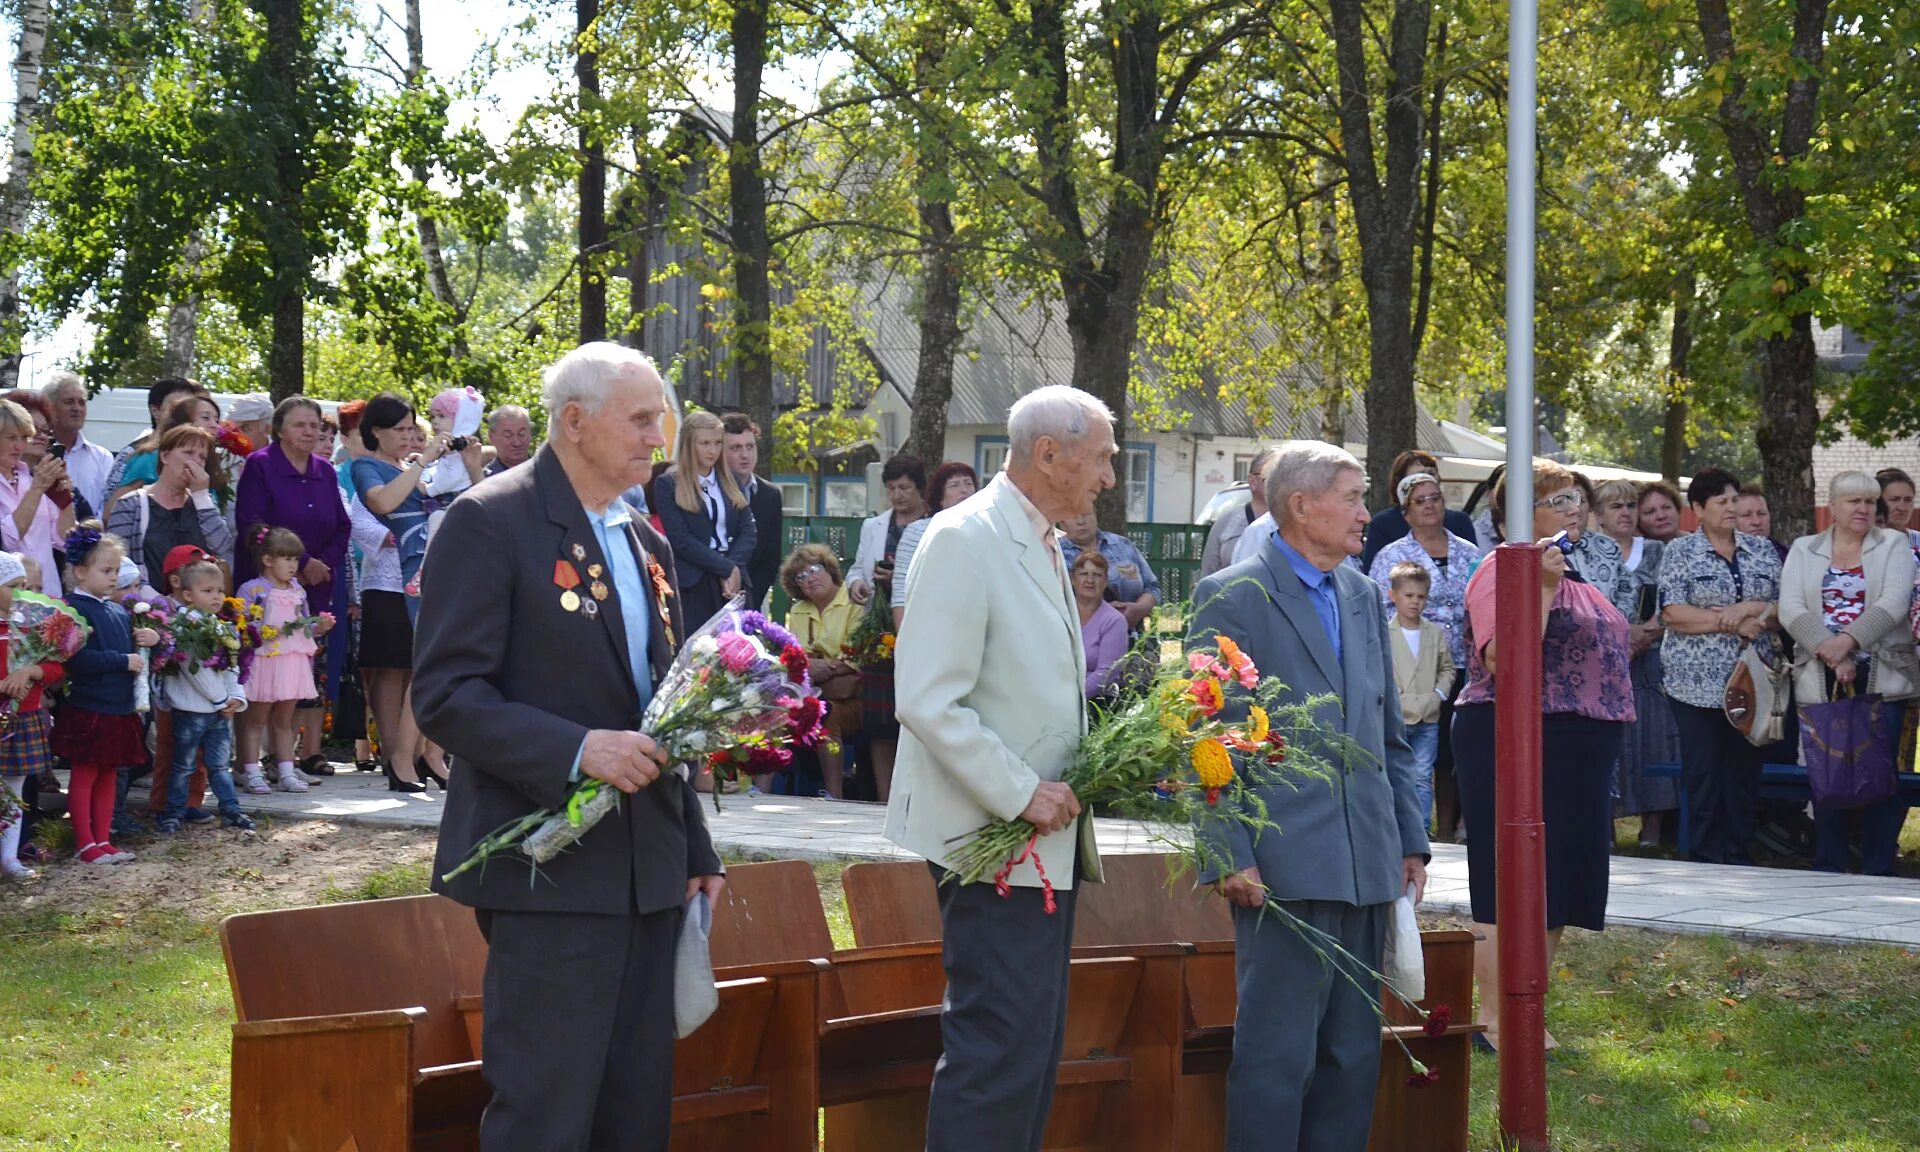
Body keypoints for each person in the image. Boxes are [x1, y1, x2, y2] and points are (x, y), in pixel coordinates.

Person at [417, 342, 722, 1152]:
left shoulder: (646, 543)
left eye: (661, 418)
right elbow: (446, 695)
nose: (660, 438)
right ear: (575, 422)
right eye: (642, 419)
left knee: (635, 1114)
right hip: (545, 870)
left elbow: (667, 713)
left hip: (647, 869)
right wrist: (577, 748)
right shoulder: (489, 520)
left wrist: (696, 846)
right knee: (545, 1114)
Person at [885, 385, 1112, 1152]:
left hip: (1036, 844)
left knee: (1030, 1050)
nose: (1109, 476)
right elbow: (925, 697)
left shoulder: (1038, 537)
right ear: (1049, 454)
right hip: (990, 837)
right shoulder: (965, 537)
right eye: (1104, 458)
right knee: (997, 1050)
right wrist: (1021, 791)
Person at [1188, 440, 1429, 1152]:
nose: (1366, 514)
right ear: (1301, 505)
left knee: (1353, 1058)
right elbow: (1202, 735)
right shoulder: (1231, 596)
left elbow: (1390, 735)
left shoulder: (1360, 593)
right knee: (1276, 1058)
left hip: (1366, 862)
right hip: (1281, 869)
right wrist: (1227, 851)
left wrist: (1410, 839)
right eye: (1353, 498)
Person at [1452, 461, 1633, 1052]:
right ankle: (1495, 1018)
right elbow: (1507, 656)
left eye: (1577, 498)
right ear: (1515, 515)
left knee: (1557, 882)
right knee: (1508, 876)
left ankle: (1529, 1010)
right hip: (1516, 736)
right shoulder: (1501, 567)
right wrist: (1545, 586)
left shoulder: (1580, 574)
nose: (1574, 508)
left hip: (1578, 747)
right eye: (1558, 500)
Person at [1779, 471, 1917, 876]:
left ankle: (1877, 866)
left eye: (1870, 502)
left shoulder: (1894, 544)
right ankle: (1830, 865)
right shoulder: (1805, 548)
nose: (1863, 509)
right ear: (1833, 506)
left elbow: (1894, 602)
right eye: (1854, 501)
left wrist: (1847, 643)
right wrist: (1831, 653)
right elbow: (1789, 608)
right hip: (1820, 676)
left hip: (1882, 676)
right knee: (1827, 772)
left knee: (1879, 774)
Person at [1658, 467, 1782, 865]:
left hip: (1754, 679)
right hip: (1694, 684)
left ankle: (1739, 852)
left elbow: (1785, 608)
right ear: (1698, 508)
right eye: (1722, 503)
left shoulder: (1761, 550)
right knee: (1705, 771)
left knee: (1743, 771)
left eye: (1734, 500)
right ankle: (1705, 856)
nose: (1732, 509)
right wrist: (1729, 620)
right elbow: (1673, 613)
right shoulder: (1680, 552)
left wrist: (1753, 611)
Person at [234, 397, 351, 780]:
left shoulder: (325, 470)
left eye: (314, 426)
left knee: (298, 678)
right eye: (300, 425)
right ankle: (250, 763)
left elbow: (342, 526)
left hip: (315, 589)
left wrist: (322, 565)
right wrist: (300, 564)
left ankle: (288, 761)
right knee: (263, 681)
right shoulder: (261, 465)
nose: (310, 432)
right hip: (268, 591)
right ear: (279, 429)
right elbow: (252, 524)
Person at [1367, 470, 1479, 842]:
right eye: (1421, 501)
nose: (1430, 505)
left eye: (1436, 498)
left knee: (1455, 747)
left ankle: (1449, 824)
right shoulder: (1393, 555)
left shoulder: (1468, 551)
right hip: (1412, 666)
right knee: (1417, 749)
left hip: (1463, 663)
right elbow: (1380, 612)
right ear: (1406, 513)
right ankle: (1413, 827)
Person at [55, 527, 155, 865]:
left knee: (109, 774)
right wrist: (122, 660)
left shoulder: (117, 611)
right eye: (106, 571)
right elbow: (77, 659)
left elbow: (132, 652)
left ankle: (103, 840)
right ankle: (85, 843)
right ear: (80, 572)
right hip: (90, 707)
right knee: (85, 775)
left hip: (118, 707)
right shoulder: (72, 610)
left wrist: (147, 639)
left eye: (116, 571)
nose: (114, 578)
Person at [1592, 479, 1678, 847]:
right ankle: (1606, 831)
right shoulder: (1592, 552)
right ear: (1599, 515)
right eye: (1615, 507)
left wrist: (1645, 634)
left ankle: (1653, 833)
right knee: (1612, 743)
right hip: (1605, 662)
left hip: (1651, 660)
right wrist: (1623, 637)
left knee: (1655, 739)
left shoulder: (1658, 551)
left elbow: (1670, 599)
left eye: (1629, 505)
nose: (1625, 512)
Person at [153, 549, 256, 835]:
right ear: (187, 595)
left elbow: (232, 666)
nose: (216, 596)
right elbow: (193, 668)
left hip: (220, 711)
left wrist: (237, 698)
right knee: (183, 765)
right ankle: (172, 813)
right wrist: (220, 699)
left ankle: (231, 810)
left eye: (220, 590)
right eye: (207, 590)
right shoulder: (182, 626)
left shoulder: (223, 626)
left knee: (220, 765)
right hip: (191, 710)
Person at [234, 526, 334, 795]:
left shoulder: (298, 590)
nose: (293, 566)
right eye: (287, 559)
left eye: (295, 559)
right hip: (265, 661)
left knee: (285, 719)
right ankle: (250, 771)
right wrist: (261, 631)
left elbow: (304, 624)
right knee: (256, 718)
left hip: (292, 661)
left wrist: (319, 626)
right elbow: (242, 628)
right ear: (268, 560)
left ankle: (287, 770)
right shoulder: (252, 589)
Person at [653, 410, 756, 629]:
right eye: (705, 443)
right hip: (695, 585)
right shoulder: (668, 484)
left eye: (718, 443)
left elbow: (748, 531)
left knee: (739, 655)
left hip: (734, 583)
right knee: (700, 657)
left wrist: (734, 567)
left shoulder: (731, 480)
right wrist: (724, 567)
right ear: (690, 445)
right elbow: (681, 540)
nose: (713, 450)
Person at [0, 550, 65, 878]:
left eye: (26, 585)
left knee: (14, 789)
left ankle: (9, 858)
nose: (22, 593)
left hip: (24, 716)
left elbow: (55, 669)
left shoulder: (32, 627)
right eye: (13, 585)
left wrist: (31, 671)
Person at [106, 424, 234, 586]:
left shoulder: (204, 504)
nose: (196, 461)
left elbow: (222, 547)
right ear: (165, 456)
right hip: (147, 605)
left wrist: (201, 496)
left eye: (202, 457)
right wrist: (150, 597)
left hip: (197, 607)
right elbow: (119, 563)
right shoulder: (130, 504)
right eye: (188, 453)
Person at [352, 393, 439, 623]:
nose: (408, 437)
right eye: (399, 430)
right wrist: (423, 462)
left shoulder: (412, 466)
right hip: (411, 566)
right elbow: (382, 502)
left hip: (445, 558)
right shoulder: (365, 466)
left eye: (411, 429)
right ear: (376, 431)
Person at [783, 543, 861, 798]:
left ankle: (833, 795)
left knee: (825, 713)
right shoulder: (798, 610)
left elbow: (854, 656)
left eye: (814, 569)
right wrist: (817, 664)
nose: (809, 578)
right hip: (809, 690)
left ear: (829, 569)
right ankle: (758, 792)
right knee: (772, 709)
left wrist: (821, 665)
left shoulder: (853, 601)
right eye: (801, 577)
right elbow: (793, 657)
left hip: (850, 696)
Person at [1386, 562, 1455, 829]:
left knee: (1423, 775)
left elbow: (1447, 667)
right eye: (1409, 596)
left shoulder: (1434, 632)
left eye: (1421, 597)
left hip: (1428, 716)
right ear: (1393, 595)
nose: (1415, 602)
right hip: (1397, 716)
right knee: (1396, 775)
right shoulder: (1385, 632)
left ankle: (1422, 829)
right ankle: (1396, 829)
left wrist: (1438, 693)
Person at [890, 460, 979, 626]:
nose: (964, 490)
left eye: (968, 483)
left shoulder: (986, 531)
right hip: (929, 623)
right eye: (954, 485)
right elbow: (902, 587)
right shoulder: (918, 531)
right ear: (941, 499)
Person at [0, 398, 75, 596]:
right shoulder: (36, 483)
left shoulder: (31, 478)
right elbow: (7, 539)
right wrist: (36, 490)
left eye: (24, 438)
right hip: (10, 601)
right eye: (11, 438)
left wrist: (65, 500)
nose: (19, 446)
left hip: (49, 594)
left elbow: (65, 542)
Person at [1359, 449, 1480, 571]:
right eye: (1419, 475)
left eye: (1431, 473)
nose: (1425, 479)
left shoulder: (1460, 523)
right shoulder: (1384, 525)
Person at [103, 376, 202, 502]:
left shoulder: (200, 454)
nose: (183, 413)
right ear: (155, 410)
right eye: (176, 406)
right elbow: (109, 508)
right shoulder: (133, 453)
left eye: (189, 407)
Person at [1059, 511, 1160, 634]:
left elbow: (1152, 587)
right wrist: (1103, 614)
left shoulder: (1122, 544)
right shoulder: (1056, 554)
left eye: (1086, 514)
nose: (1081, 522)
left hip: (1135, 639)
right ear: (1061, 522)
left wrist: (1139, 609)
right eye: (1073, 516)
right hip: (1081, 640)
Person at [724, 413, 784, 609]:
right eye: (735, 448)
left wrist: (750, 599)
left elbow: (770, 559)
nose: (745, 455)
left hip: (752, 598)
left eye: (750, 446)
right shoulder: (708, 491)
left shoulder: (770, 495)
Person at [41, 372, 114, 514]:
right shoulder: (35, 453)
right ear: (50, 408)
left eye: (82, 403)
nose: (77, 408)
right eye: (69, 402)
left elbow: (106, 506)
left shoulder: (102, 457)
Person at [1200, 445, 1277, 579]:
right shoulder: (1227, 523)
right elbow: (1208, 573)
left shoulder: (1295, 523)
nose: (1278, 483)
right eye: (1270, 476)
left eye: (1283, 477)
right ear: (1252, 481)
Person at [1072, 550, 1131, 696]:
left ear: (1105, 582)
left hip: (1096, 702)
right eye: (1083, 574)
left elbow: (1106, 673)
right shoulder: (1059, 613)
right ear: (1072, 579)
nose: (1090, 580)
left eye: (1097, 575)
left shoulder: (1115, 621)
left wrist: (1074, 697)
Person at [1736, 485, 1789, 562]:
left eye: (1761, 513)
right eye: (1746, 515)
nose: (1756, 522)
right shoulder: (1722, 560)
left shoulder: (1789, 556)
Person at [483, 404, 534, 476]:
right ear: (491, 437)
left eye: (521, 434)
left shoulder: (548, 471)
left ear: (530, 433)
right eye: (508, 436)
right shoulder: (484, 480)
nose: (516, 443)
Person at [1637, 480, 1684, 544]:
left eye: (1666, 507)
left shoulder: (1698, 545)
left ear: (1677, 510)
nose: (1661, 516)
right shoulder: (1631, 552)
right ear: (1638, 520)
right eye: (1650, 512)